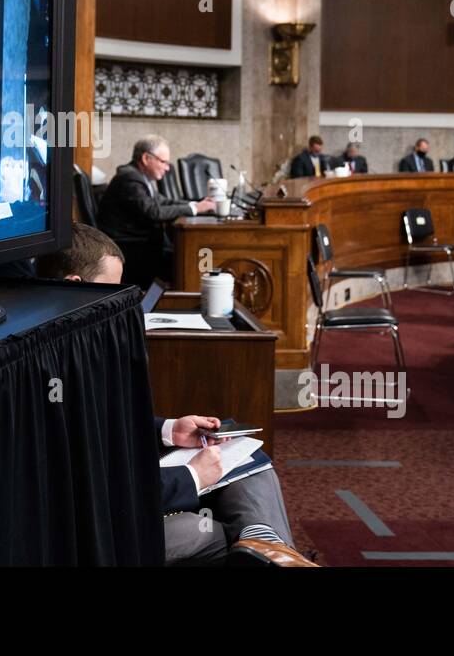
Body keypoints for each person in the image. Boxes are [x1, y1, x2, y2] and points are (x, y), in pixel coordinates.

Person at [36, 224, 315, 567]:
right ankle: (271, 550)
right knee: (213, 532)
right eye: (111, 292)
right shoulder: (40, 367)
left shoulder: (79, 343)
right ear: (75, 285)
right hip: (89, 535)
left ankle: (270, 548)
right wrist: (192, 477)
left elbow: (106, 431)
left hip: (132, 492)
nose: (117, 307)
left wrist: (168, 430)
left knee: (250, 466)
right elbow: (91, 490)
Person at [98, 136, 215, 285]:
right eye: (163, 162)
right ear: (146, 158)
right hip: (132, 249)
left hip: (141, 244)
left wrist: (196, 204)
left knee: (186, 256)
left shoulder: (139, 176)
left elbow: (163, 201)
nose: (167, 168)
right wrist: (195, 208)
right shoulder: (129, 178)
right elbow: (153, 212)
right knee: (188, 260)